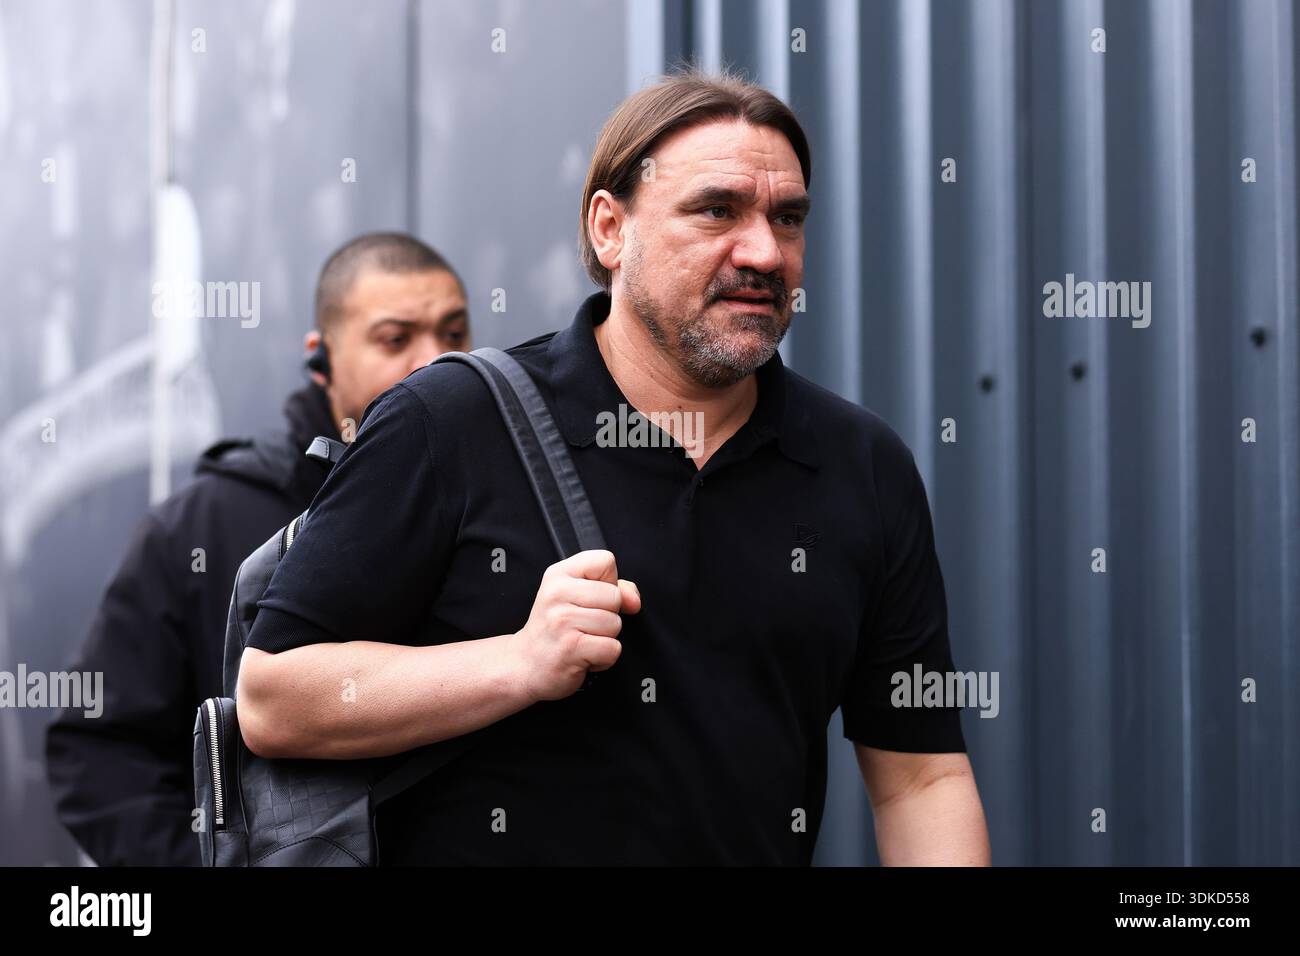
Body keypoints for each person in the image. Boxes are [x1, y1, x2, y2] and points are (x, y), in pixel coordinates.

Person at [238, 71, 991, 865]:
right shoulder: (451, 422)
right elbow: (273, 698)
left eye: (789, 217)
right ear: (610, 228)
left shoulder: (862, 466)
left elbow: (922, 781)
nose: (766, 251)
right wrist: (516, 663)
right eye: (717, 210)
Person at [44, 232, 470, 866]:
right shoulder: (202, 525)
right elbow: (97, 751)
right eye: (395, 339)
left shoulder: (489, 500)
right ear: (320, 356)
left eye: (454, 333)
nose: (433, 361)